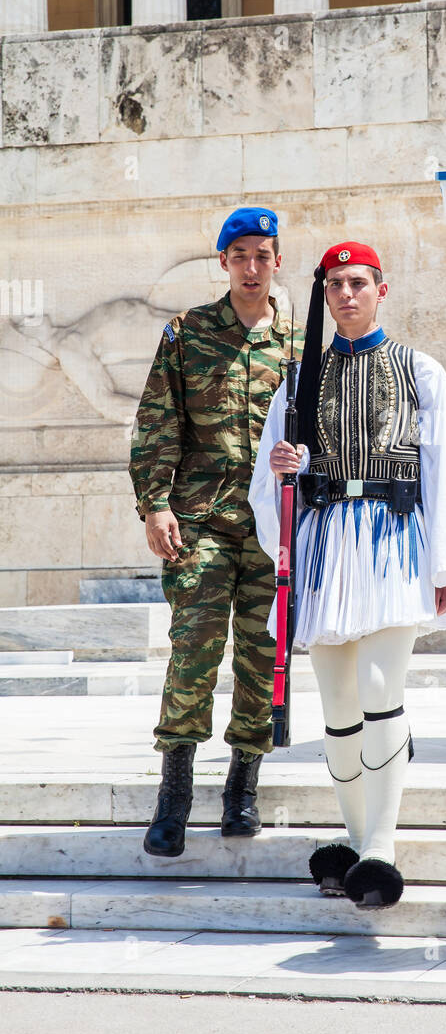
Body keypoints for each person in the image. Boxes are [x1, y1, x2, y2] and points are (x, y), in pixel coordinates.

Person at [249, 241, 446, 908]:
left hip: (390, 543)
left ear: (383, 290)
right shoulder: (298, 384)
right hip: (324, 549)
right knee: (339, 709)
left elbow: (445, 472)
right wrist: (283, 472)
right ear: (326, 296)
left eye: (358, 283)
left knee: (382, 691)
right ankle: (357, 841)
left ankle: (381, 842)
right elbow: (270, 481)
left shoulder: (420, 372)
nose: (346, 294)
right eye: (335, 285)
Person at [130, 207, 296, 857]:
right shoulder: (188, 332)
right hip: (198, 523)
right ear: (223, 262)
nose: (252, 268)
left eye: (263, 255)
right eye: (240, 256)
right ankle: (173, 797)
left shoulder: (298, 344)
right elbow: (156, 420)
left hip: (271, 532)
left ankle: (242, 788)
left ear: (277, 261)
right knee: (194, 649)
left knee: (261, 658)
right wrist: (154, 504)